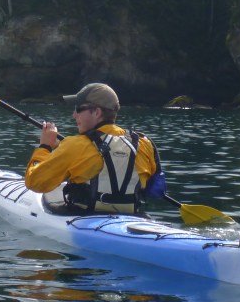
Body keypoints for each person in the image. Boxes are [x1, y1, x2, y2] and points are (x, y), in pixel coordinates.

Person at [24, 82, 164, 214]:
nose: (74, 115)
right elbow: (155, 191)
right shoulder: (144, 143)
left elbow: (34, 182)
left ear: (97, 112)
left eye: (78, 109)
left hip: (84, 218)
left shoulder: (74, 145)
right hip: (133, 218)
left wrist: (45, 147)